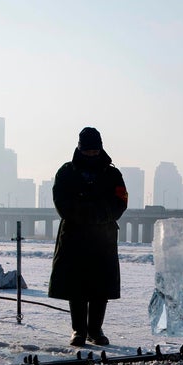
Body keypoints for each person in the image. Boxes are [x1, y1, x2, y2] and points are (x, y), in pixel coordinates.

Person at [49, 126, 128, 346]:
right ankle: (79, 331)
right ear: (80, 149)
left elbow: (120, 202)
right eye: (88, 152)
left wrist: (98, 216)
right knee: (77, 286)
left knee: (100, 286)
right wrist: (85, 215)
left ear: (101, 149)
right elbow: (61, 202)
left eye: (95, 151)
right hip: (74, 238)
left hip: (103, 239)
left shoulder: (113, 174)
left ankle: (95, 329)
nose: (92, 155)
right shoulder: (66, 173)